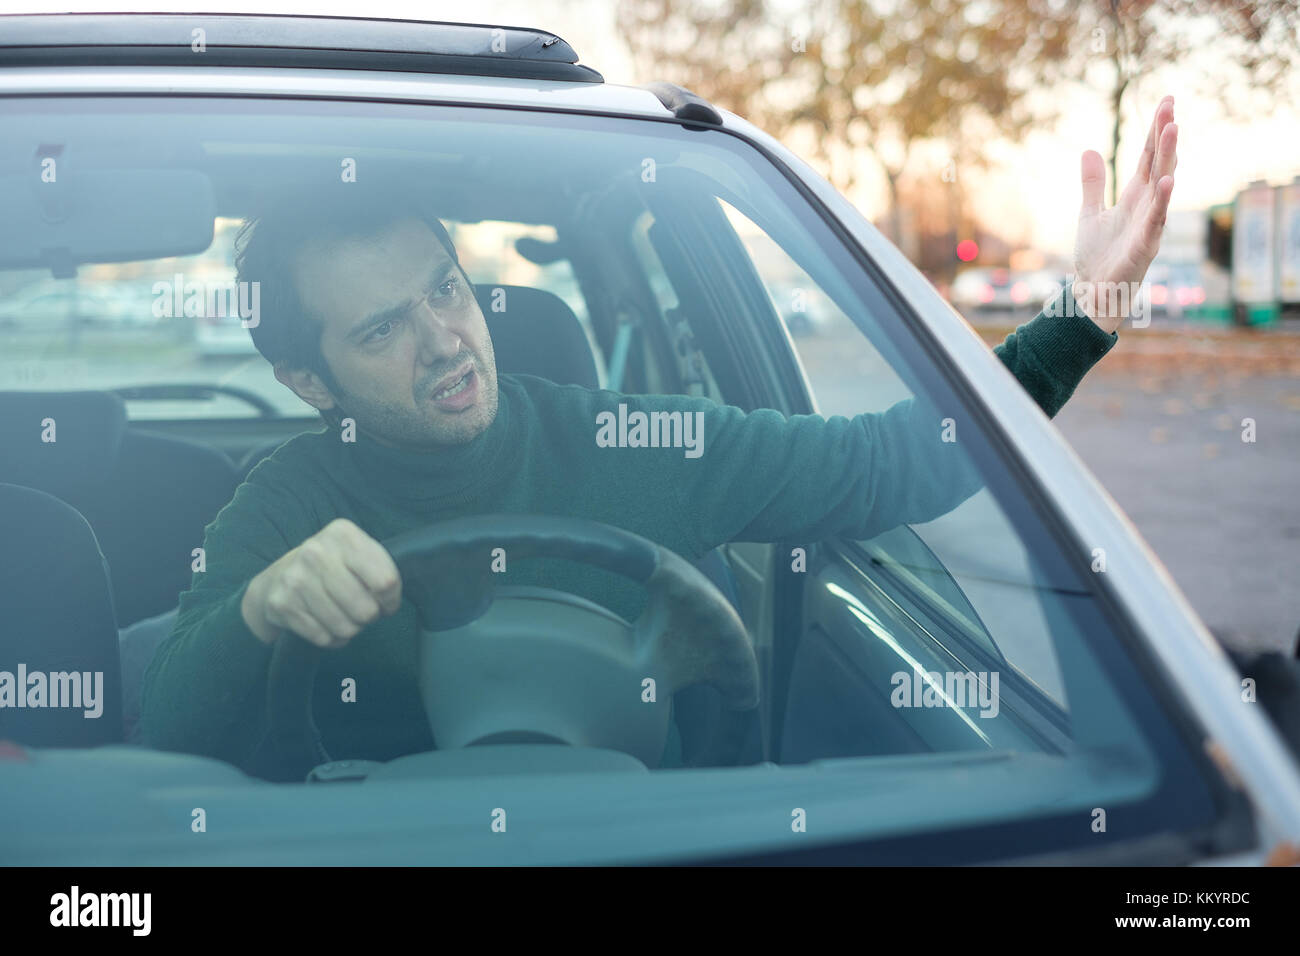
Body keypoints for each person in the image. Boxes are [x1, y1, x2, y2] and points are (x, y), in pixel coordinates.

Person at [141, 98, 1180, 775]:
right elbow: (167, 724)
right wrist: (264, 607)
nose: (445, 340)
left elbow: (887, 461)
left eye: (445, 290)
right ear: (305, 378)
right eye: (382, 329)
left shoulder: (633, 439)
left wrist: (1080, 315)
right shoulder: (284, 503)